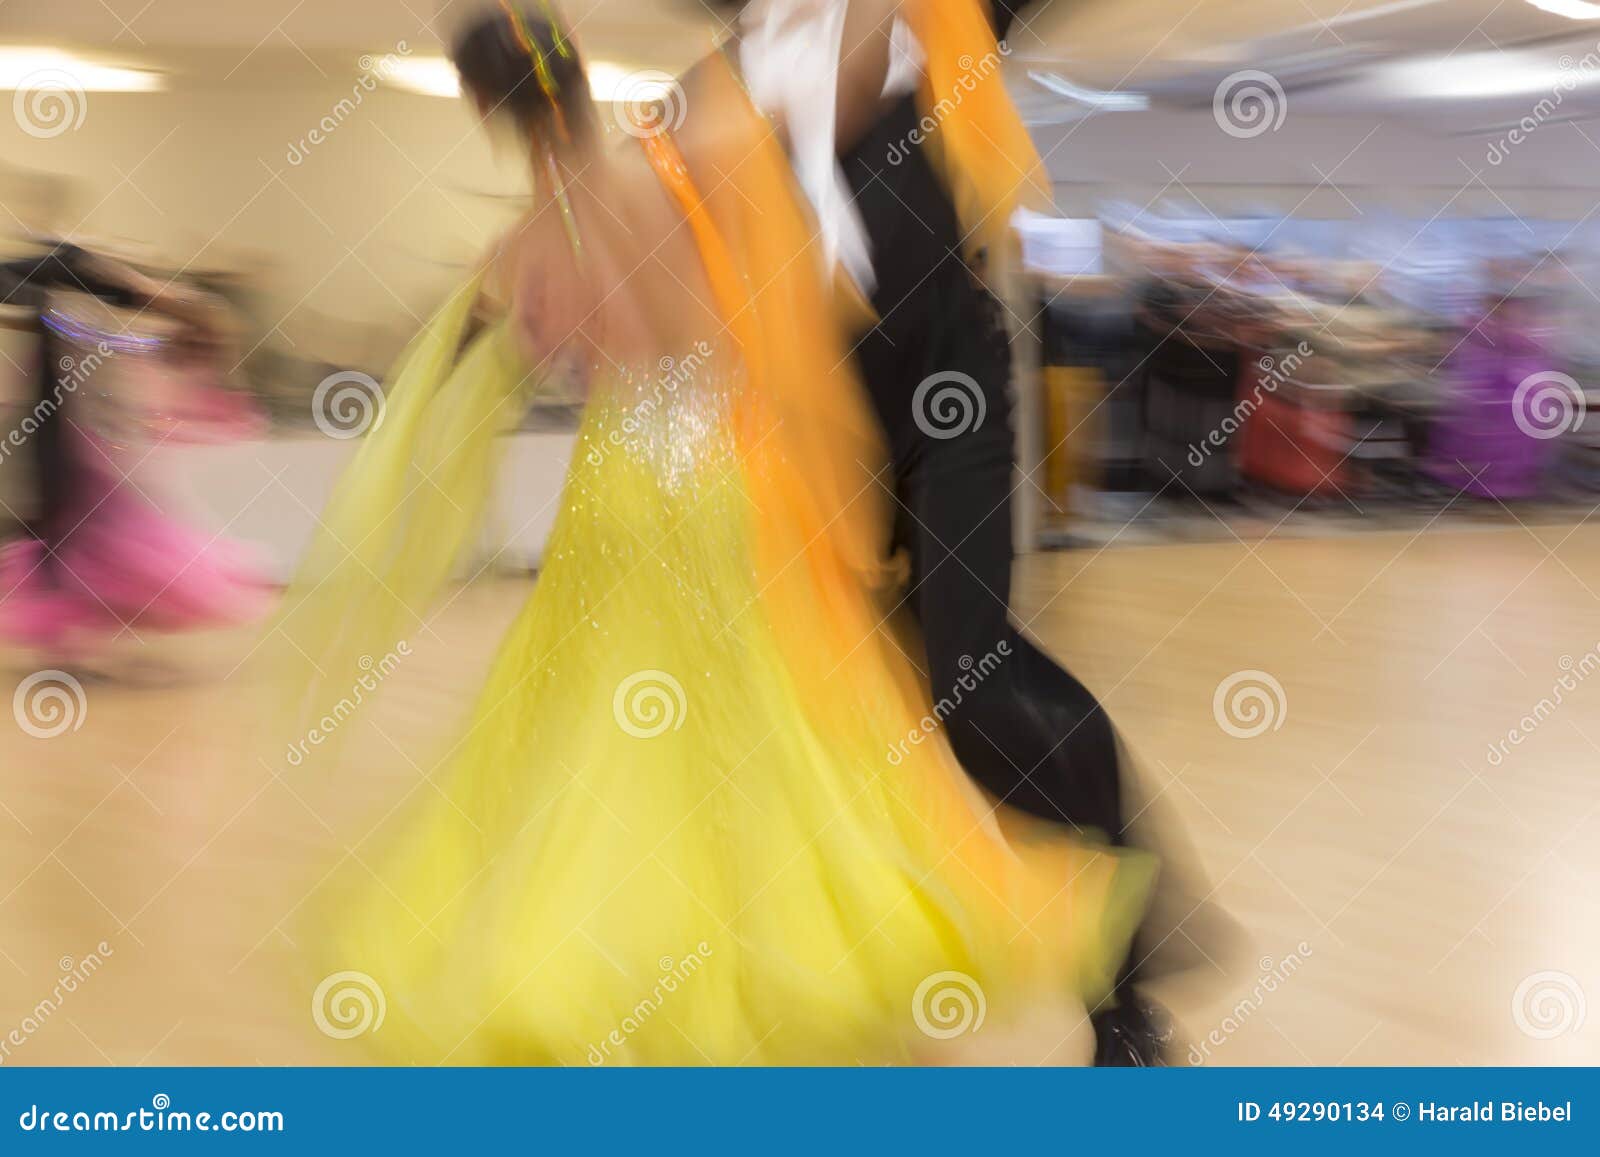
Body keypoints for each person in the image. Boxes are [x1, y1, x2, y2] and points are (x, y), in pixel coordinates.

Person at [276, 2, 1152, 1065]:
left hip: (630, 492)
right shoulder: (690, 144)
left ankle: (644, 960)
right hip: (719, 478)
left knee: (622, 729)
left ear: (492, 112)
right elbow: (735, 340)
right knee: (769, 725)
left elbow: (522, 363)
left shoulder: (540, 229)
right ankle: (762, 955)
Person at [702, 0, 1238, 1063]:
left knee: (972, 682)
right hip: (821, 444)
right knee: (855, 708)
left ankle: (1123, 990)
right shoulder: (732, 74)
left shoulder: (921, 22)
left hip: (951, 409)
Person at [0, 241, 270, 660]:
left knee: (85, 543)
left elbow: (74, 302)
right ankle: (66, 646)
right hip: (73, 440)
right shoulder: (84, 303)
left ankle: (67, 646)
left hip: (78, 443)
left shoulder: (86, 298)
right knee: (77, 544)